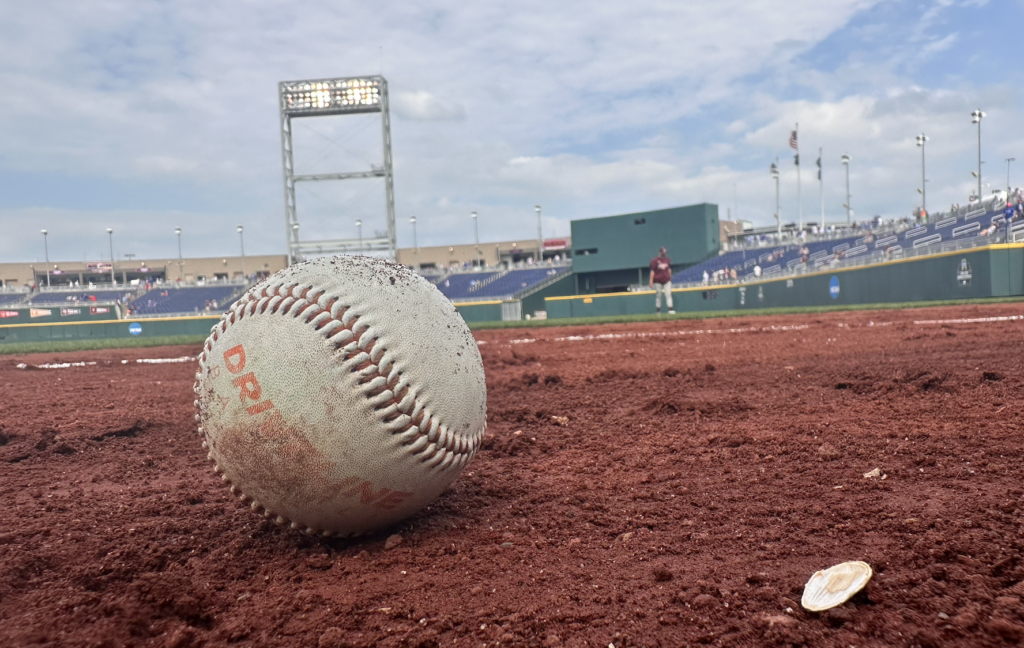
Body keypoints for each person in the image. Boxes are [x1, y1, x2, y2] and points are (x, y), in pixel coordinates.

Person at [648, 247, 674, 314]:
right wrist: (651, 281)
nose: (664, 253)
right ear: (660, 252)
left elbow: (669, 269)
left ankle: (670, 309)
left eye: (665, 252)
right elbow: (652, 271)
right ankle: (658, 310)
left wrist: (670, 277)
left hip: (666, 280)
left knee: (668, 294)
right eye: (663, 252)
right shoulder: (654, 261)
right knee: (658, 295)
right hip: (657, 280)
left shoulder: (667, 260)